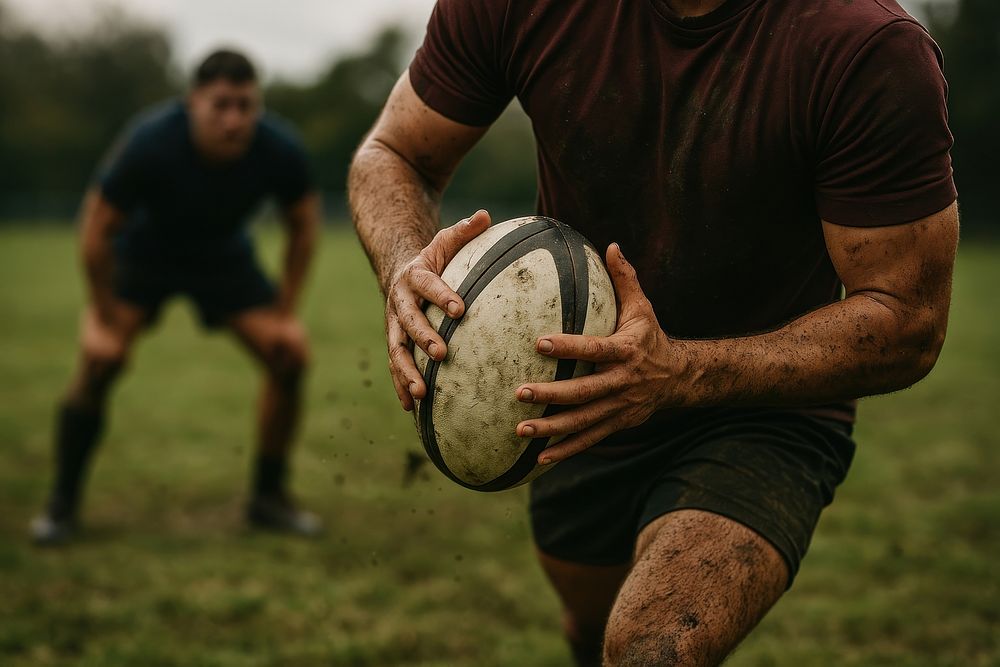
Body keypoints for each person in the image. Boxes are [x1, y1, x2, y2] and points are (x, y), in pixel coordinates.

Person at [349, 0, 959, 664]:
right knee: (589, 633)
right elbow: (393, 152)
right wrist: (405, 266)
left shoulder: (862, 46)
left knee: (650, 651)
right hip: (576, 389)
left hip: (761, 404)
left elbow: (908, 320)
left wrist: (680, 371)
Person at [32, 49, 323, 545]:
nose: (234, 120)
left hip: (222, 256)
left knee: (289, 356)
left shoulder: (278, 148)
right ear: (193, 102)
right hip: (146, 253)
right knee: (100, 362)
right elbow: (96, 226)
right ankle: (62, 504)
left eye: (246, 106)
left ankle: (268, 498)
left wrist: (285, 311)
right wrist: (102, 316)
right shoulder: (151, 141)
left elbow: (304, 225)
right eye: (221, 105)